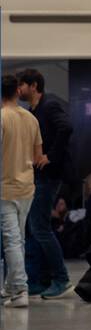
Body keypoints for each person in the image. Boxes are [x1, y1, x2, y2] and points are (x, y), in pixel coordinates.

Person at [17, 68, 75, 299]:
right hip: (39, 176)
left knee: (40, 228)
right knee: (35, 227)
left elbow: (66, 127)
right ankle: (40, 280)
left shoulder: (49, 105)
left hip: (50, 175)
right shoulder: (33, 110)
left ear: (33, 86)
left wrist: (49, 155)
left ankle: (62, 279)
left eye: (22, 85)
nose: (19, 89)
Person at [1, 73, 48, 307]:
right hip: (27, 187)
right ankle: (10, 289)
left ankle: (20, 289)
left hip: (5, 188)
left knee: (11, 241)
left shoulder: (1, 118)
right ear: (17, 92)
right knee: (17, 239)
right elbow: (38, 156)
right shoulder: (31, 119)